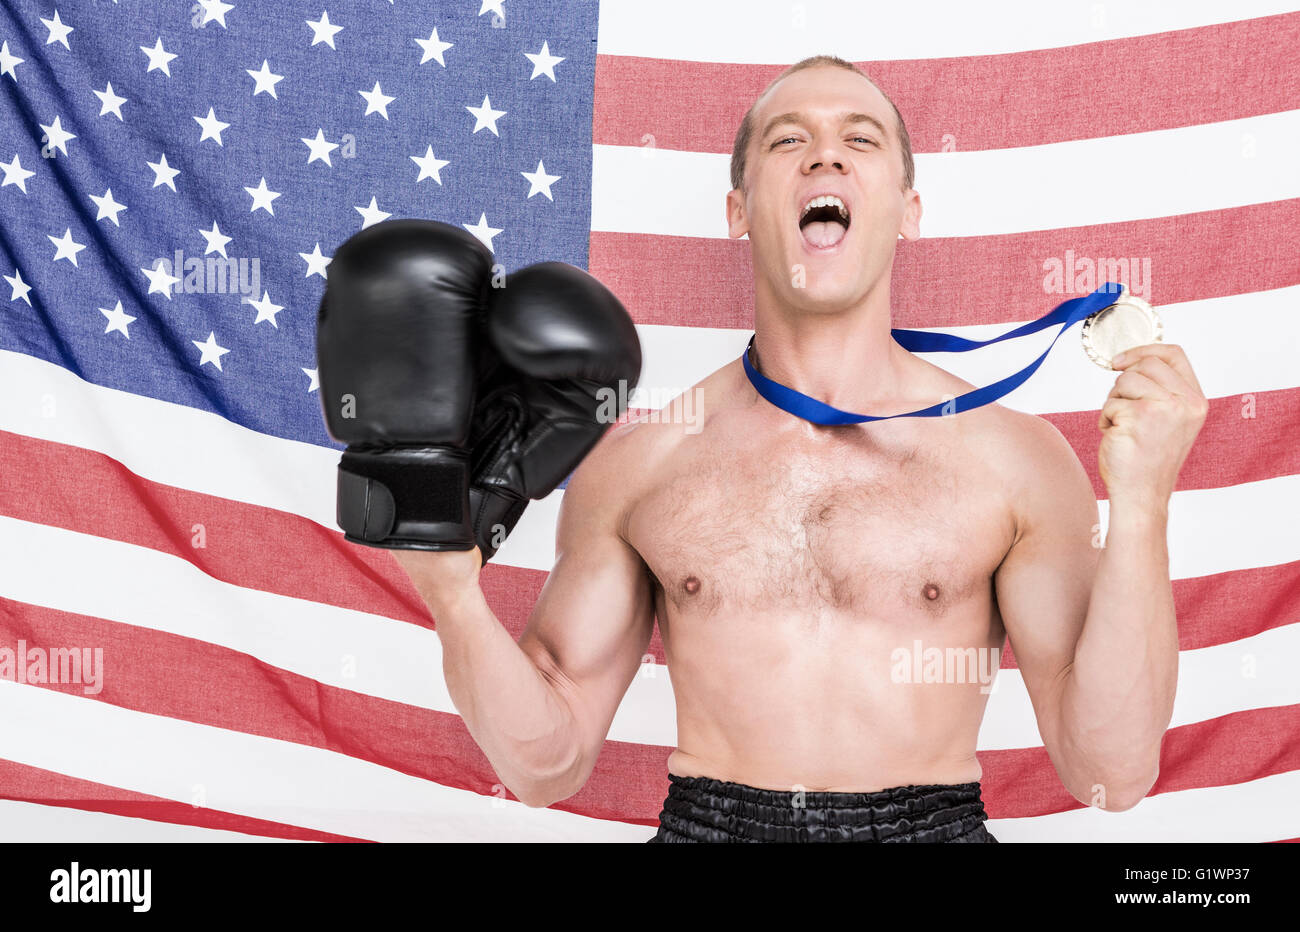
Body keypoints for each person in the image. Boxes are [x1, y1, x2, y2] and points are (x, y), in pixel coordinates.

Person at [318, 55, 1209, 842]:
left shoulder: (1015, 459)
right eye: (789, 141)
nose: (825, 155)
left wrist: (1142, 503)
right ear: (740, 210)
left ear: (908, 210)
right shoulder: (642, 464)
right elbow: (544, 767)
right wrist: (450, 591)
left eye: (860, 139)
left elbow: (1112, 773)